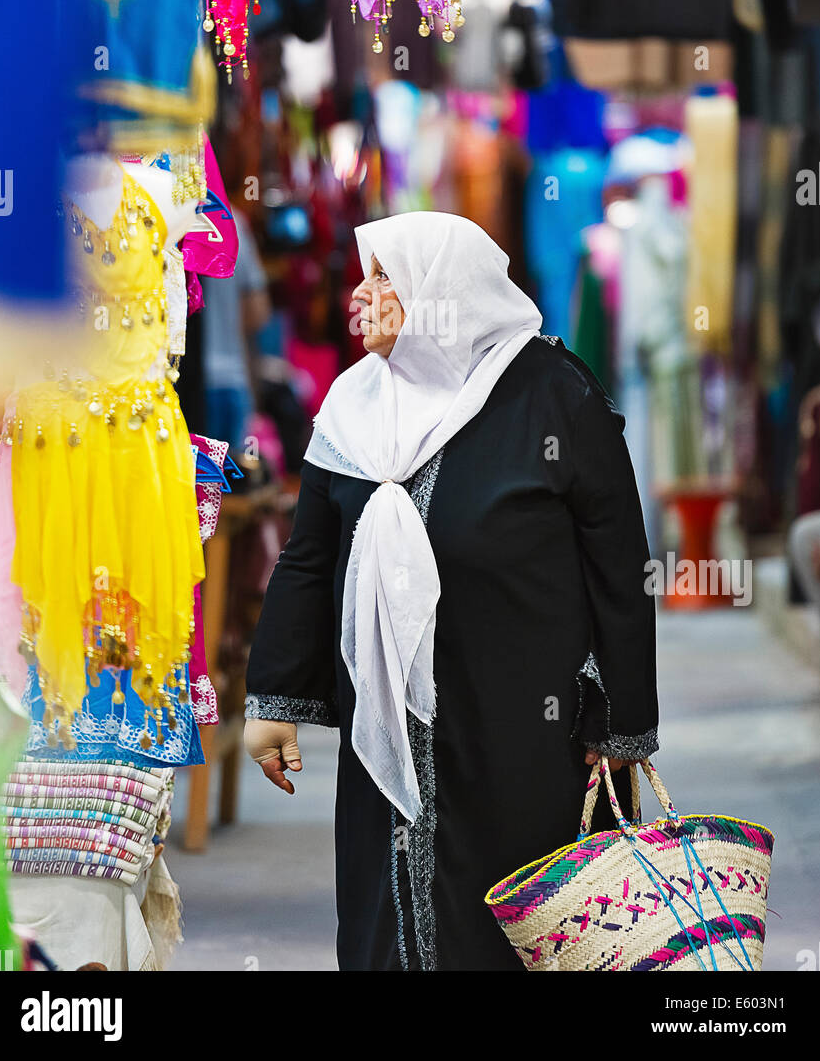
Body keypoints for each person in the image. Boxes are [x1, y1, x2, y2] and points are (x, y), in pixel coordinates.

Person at [243, 211, 658, 971]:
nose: (358, 297)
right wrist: (274, 700)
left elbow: (620, 567)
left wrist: (622, 720)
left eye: (383, 279)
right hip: (391, 731)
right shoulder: (354, 407)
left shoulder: (552, 395)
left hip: (529, 732)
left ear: (441, 292)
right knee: (389, 919)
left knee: (524, 925)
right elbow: (309, 558)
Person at [201, 208, 271, 453]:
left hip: (172, 385)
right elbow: (258, 313)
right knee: (230, 483)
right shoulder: (231, 222)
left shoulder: (154, 217)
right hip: (230, 377)